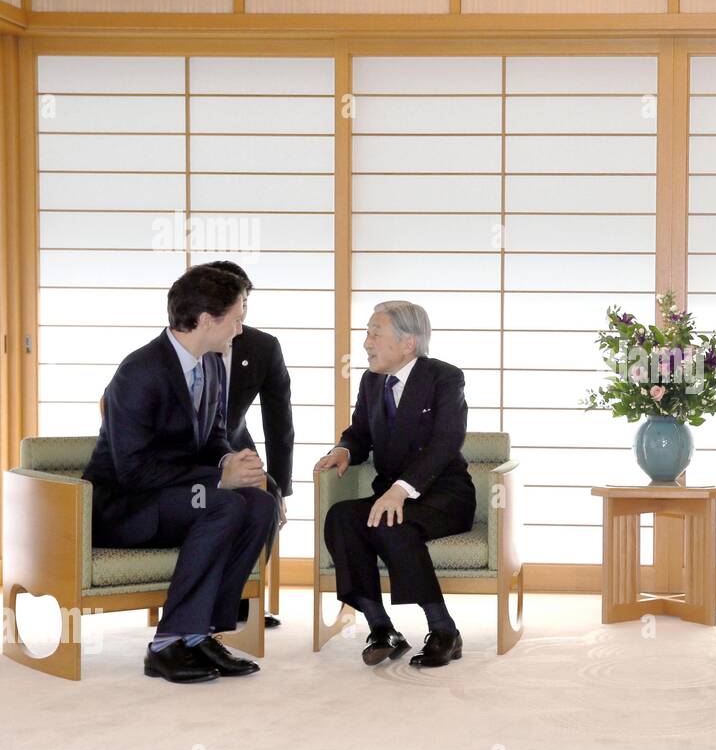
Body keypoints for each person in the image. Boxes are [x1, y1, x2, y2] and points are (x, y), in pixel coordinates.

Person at [83, 266, 278, 683]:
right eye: (236, 317)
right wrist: (216, 481)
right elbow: (133, 471)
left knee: (259, 504)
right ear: (206, 320)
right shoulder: (140, 371)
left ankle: (201, 632)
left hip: (176, 499)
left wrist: (229, 461)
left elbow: (214, 437)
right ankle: (166, 644)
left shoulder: (209, 365)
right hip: (126, 507)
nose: (240, 329)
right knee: (222, 505)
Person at [315, 300, 476, 669]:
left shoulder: (444, 377)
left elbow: (446, 441)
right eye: (366, 332)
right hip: (391, 494)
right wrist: (343, 449)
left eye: (375, 333)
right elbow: (359, 433)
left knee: (392, 524)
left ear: (408, 344)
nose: (365, 342)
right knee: (341, 517)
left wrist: (402, 489)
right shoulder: (372, 381)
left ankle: (444, 629)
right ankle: (381, 628)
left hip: (442, 494)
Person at [196, 260, 294, 629]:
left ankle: (240, 595)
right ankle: (199, 594)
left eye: (245, 306)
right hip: (189, 453)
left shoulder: (263, 346)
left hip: (235, 448)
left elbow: (279, 422)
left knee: (264, 495)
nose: (239, 320)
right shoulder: (187, 339)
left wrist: (280, 486)